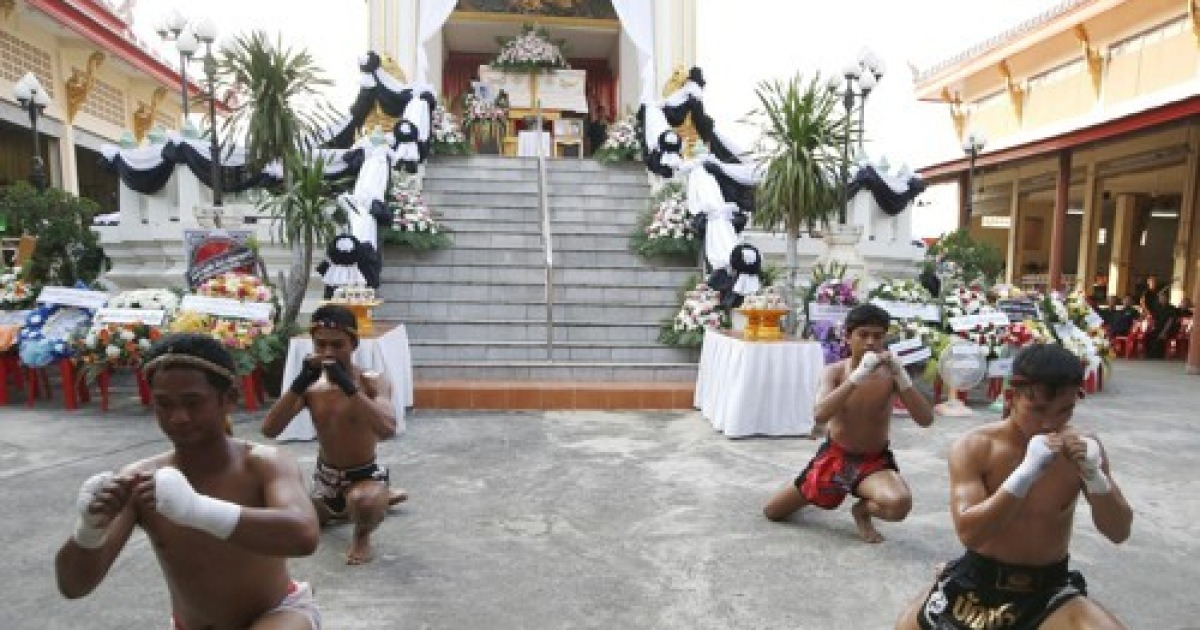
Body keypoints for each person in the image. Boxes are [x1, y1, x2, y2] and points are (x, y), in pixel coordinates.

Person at [55, 333, 322, 629]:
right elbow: (73, 587)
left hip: (278, 614)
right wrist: (89, 530)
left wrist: (197, 510)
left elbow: (304, 534)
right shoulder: (139, 480)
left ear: (228, 400)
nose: (178, 417)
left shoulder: (263, 463)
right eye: (164, 404)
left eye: (193, 402)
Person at [895, 343, 1132, 630]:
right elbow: (970, 534)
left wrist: (1096, 478)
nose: (1050, 423)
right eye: (1038, 409)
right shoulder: (975, 447)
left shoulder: (1083, 450)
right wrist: (1026, 473)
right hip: (977, 582)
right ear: (1011, 396)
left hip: (1047, 590)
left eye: (1065, 410)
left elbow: (1119, 532)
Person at [763, 303, 935, 543]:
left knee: (899, 505)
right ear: (848, 336)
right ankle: (809, 493)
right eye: (863, 335)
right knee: (772, 512)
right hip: (834, 458)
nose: (870, 342)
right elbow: (820, 415)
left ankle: (862, 512)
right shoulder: (834, 372)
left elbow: (926, 420)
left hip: (873, 463)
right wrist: (856, 377)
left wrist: (902, 377)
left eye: (877, 336)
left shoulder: (891, 375)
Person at [262, 304, 399, 565]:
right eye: (321, 345)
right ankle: (361, 504)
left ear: (354, 344)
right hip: (325, 481)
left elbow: (387, 428)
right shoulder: (311, 387)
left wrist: (348, 386)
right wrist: (300, 382)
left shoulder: (371, 380)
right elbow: (270, 430)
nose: (328, 353)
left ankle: (363, 532)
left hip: (363, 476)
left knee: (364, 503)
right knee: (282, 507)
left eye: (338, 345)